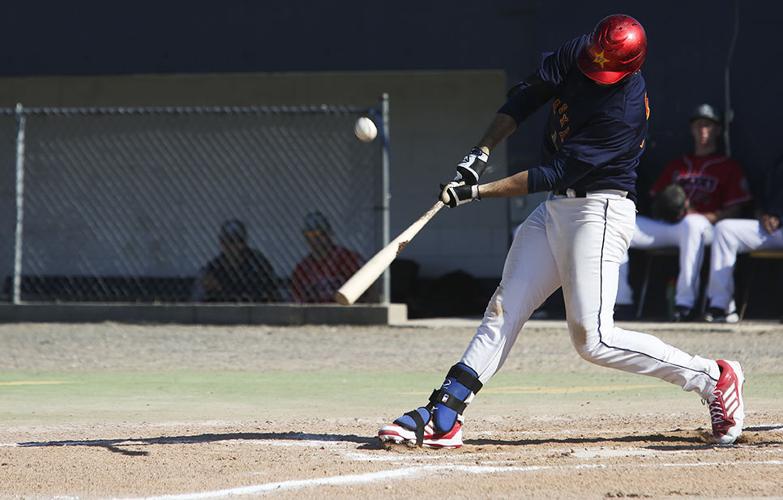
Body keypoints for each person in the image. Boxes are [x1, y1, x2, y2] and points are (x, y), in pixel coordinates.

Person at [378, 14, 745, 449]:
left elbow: (553, 172)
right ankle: (445, 413)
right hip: (557, 209)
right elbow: (527, 96)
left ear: (630, 68)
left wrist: (475, 192)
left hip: (598, 210)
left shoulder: (623, 111)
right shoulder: (583, 50)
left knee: (594, 339)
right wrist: (480, 152)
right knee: (504, 308)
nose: (594, 69)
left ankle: (713, 377)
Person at [614, 104, 753, 321]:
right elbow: (656, 198)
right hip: (672, 224)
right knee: (620, 226)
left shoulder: (728, 166)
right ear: (692, 130)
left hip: (705, 226)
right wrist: (668, 205)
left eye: (707, 125)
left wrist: (710, 216)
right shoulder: (678, 165)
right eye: (698, 126)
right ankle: (621, 301)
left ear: (717, 130)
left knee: (692, 223)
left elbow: (736, 208)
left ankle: (684, 303)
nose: (702, 131)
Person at [704, 158, 783, 322]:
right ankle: (719, 305)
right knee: (725, 229)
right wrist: (763, 213)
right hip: (773, 229)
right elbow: (764, 197)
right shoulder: (778, 166)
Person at [192, 219, 282, 302]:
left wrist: (221, 288)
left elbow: (271, 293)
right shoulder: (215, 267)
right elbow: (198, 299)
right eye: (225, 241)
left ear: (244, 243)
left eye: (237, 241)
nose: (230, 246)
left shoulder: (257, 263)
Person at [291, 211, 363, 302]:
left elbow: (367, 289)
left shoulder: (347, 259)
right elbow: (297, 299)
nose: (317, 239)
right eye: (311, 235)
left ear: (329, 234)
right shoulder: (303, 268)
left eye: (321, 234)